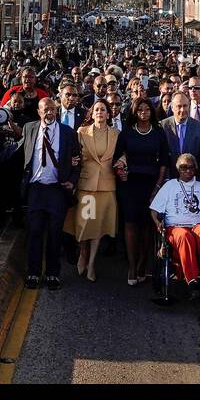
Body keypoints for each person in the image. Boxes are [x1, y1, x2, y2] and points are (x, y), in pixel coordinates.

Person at [10, 97, 79, 289]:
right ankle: (33, 273)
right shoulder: (30, 128)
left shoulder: (68, 133)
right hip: (36, 189)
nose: (49, 113)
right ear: (39, 112)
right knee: (34, 232)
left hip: (57, 189)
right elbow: (16, 148)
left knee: (55, 234)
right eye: (45, 110)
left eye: (52, 109)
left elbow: (77, 161)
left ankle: (52, 274)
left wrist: (71, 182)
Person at [114, 96, 169, 286]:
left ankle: (142, 263)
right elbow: (117, 158)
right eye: (140, 110)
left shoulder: (159, 133)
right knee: (130, 224)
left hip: (152, 184)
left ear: (151, 112)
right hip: (130, 184)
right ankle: (131, 265)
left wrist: (158, 186)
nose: (143, 113)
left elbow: (163, 162)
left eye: (147, 110)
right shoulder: (127, 133)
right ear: (134, 113)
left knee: (147, 226)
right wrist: (121, 168)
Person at [150, 153, 200, 301]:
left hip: (197, 225)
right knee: (183, 235)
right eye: (183, 167)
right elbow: (154, 210)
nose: (187, 170)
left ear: (195, 169)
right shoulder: (169, 186)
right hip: (176, 227)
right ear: (177, 169)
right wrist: (157, 223)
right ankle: (192, 282)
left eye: (191, 167)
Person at [64, 100, 118, 282]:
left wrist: (123, 162)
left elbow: (123, 154)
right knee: (84, 224)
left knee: (99, 228)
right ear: (92, 113)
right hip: (87, 187)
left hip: (106, 187)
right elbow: (74, 154)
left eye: (103, 110)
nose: (100, 112)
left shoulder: (116, 134)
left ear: (109, 114)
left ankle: (92, 264)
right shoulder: (82, 132)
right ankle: (83, 252)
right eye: (97, 110)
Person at [160, 91, 200, 178]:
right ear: (172, 108)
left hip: (192, 179)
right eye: (179, 106)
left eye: (185, 106)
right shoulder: (162, 126)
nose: (182, 110)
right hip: (169, 179)